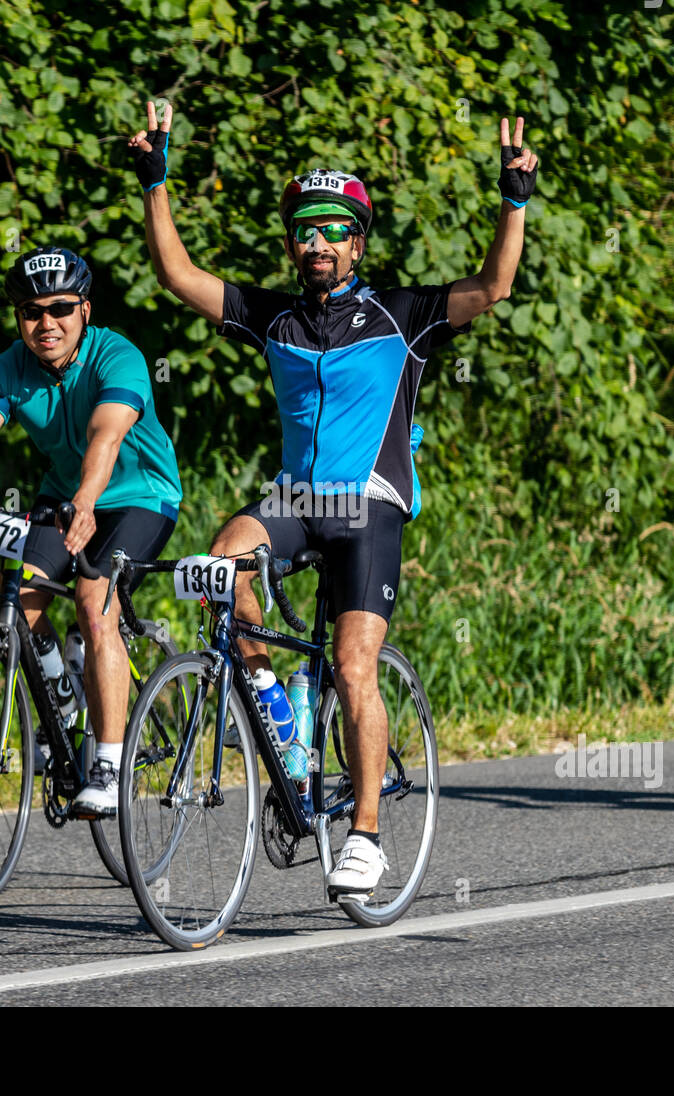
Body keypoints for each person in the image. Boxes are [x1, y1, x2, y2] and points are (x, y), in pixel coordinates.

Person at [127, 100, 537, 897]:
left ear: (356, 242)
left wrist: (512, 200)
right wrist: (156, 183)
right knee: (222, 564)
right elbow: (176, 275)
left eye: (331, 230)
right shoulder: (273, 316)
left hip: (369, 509)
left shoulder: (402, 315)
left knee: (354, 669)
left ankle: (369, 835)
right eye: (303, 231)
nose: (314, 243)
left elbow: (494, 285)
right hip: (294, 499)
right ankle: (276, 710)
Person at [0, 246, 183, 816]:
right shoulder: (6, 369)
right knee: (22, 597)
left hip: (139, 496)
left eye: (60, 309)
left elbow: (106, 435)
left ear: (85, 311)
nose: (45, 323)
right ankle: (63, 698)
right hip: (64, 497)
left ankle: (110, 762)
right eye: (30, 312)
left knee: (96, 606)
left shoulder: (117, 357)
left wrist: (88, 499)